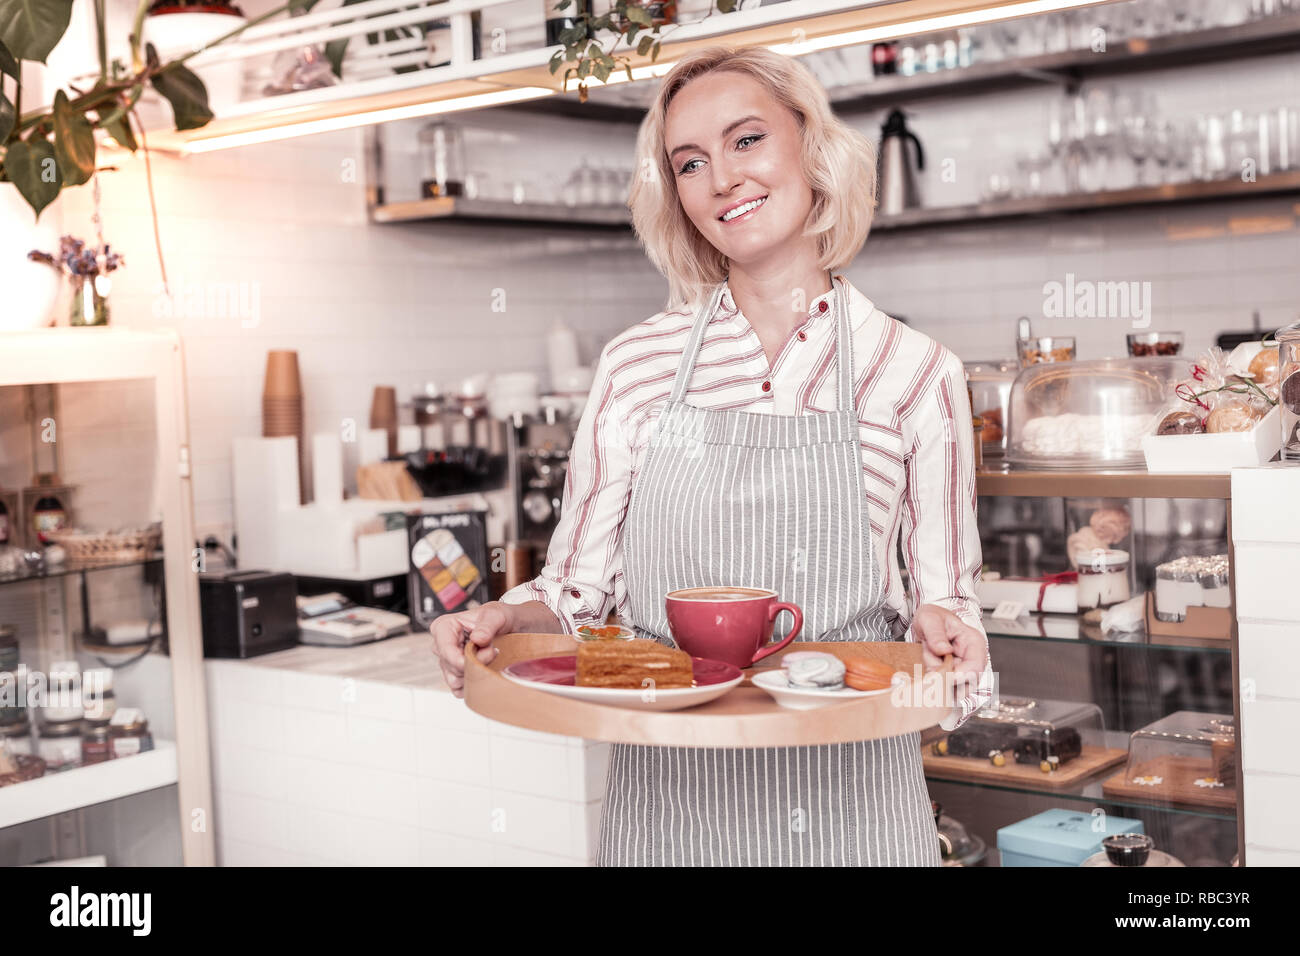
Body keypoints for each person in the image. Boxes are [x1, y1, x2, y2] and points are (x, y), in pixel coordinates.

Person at [434, 45, 994, 866]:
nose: (721, 178)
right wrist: (503, 617)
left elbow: (950, 611)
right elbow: (578, 591)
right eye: (689, 162)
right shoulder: (635, 367)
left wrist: (950, 639)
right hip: (670, 808)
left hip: (853, 810)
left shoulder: (915, 374)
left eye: (746, 141)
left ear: (811, 147)